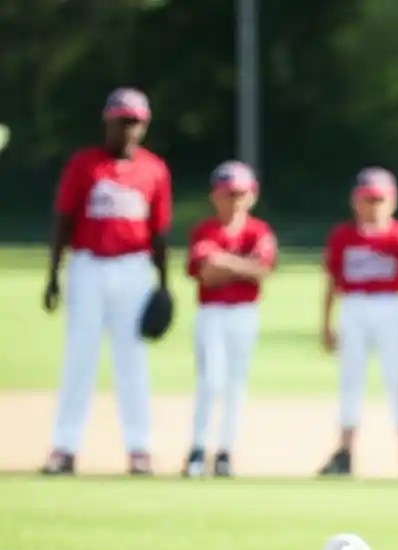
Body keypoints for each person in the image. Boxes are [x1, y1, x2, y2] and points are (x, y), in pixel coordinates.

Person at [40, 87, 172, 476]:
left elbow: (159, 232)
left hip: (134, 267)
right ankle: (64, 447)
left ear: (144, 125)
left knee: (131, 359)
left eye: (134, 122)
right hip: (88, 266)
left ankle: (139, 449)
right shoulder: (84, 165)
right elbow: (62, 221)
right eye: (121, 121)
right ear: (108, 122)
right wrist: (53, 276)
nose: (127, 129)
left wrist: (163, 284)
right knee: (79, 356)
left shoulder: (154, 170)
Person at [317, 168, 398, 480]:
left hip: (390, 306)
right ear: (356, 201)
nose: (373, 206)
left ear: (392, 201)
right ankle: (345, 452)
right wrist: (326, 323)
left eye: (379, 199)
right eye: (367, 199)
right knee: (351, 381)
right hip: (353, 307)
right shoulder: (343, 236)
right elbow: (332, 283)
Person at [182, 161, 276, 478]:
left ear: (251, 195)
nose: (233, 201)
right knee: (210, 381)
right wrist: (242, 265)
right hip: (211, 313)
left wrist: (224, 262)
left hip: (244, 313)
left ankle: (225, 450)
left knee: (235, 383)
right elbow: (205, 273)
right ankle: (198, 448)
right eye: (227, 194)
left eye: (239, 194)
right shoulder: (205, 230)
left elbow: (262, 269)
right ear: (215, 196)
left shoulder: (259, 231)